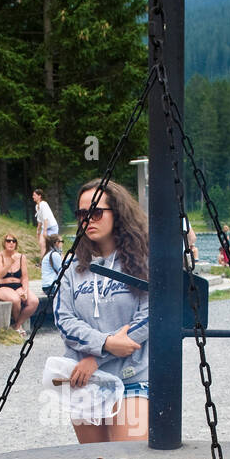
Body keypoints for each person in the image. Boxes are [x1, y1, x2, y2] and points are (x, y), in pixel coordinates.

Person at [55, 178, 149, 444]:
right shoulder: (72, 266)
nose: (88, 220)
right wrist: (106, 343)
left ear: (117, 213)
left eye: (96, 212)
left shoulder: (143, 259)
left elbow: (149, 318)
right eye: (82, 214)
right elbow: (64, 321)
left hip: (132, 376)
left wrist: (97, 357)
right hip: (84, 378)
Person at [0, 232, 34, 333]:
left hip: (18, 285)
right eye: (8, 241)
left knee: (34, 301)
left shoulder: (21, 257)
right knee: (15, 299)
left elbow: (24, 277)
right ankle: (18, 328)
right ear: (4, 243)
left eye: (13, 241)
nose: (11, 243)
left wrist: (24, 291)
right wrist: (10, 262)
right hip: (3, 286)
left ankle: (17, 324)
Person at [33, 189, 58, 256]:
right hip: (45, 227)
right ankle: (42, 262)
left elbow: (45, 219)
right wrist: (38, 230)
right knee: (42, 243)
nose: (33, 197)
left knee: (52, 246)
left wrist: (44, 231)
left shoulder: (43, 204)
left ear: (39, 196)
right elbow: (40, 220)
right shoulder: (37, 206)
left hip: (52, 227)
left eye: (34, 195)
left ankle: (58, 258)